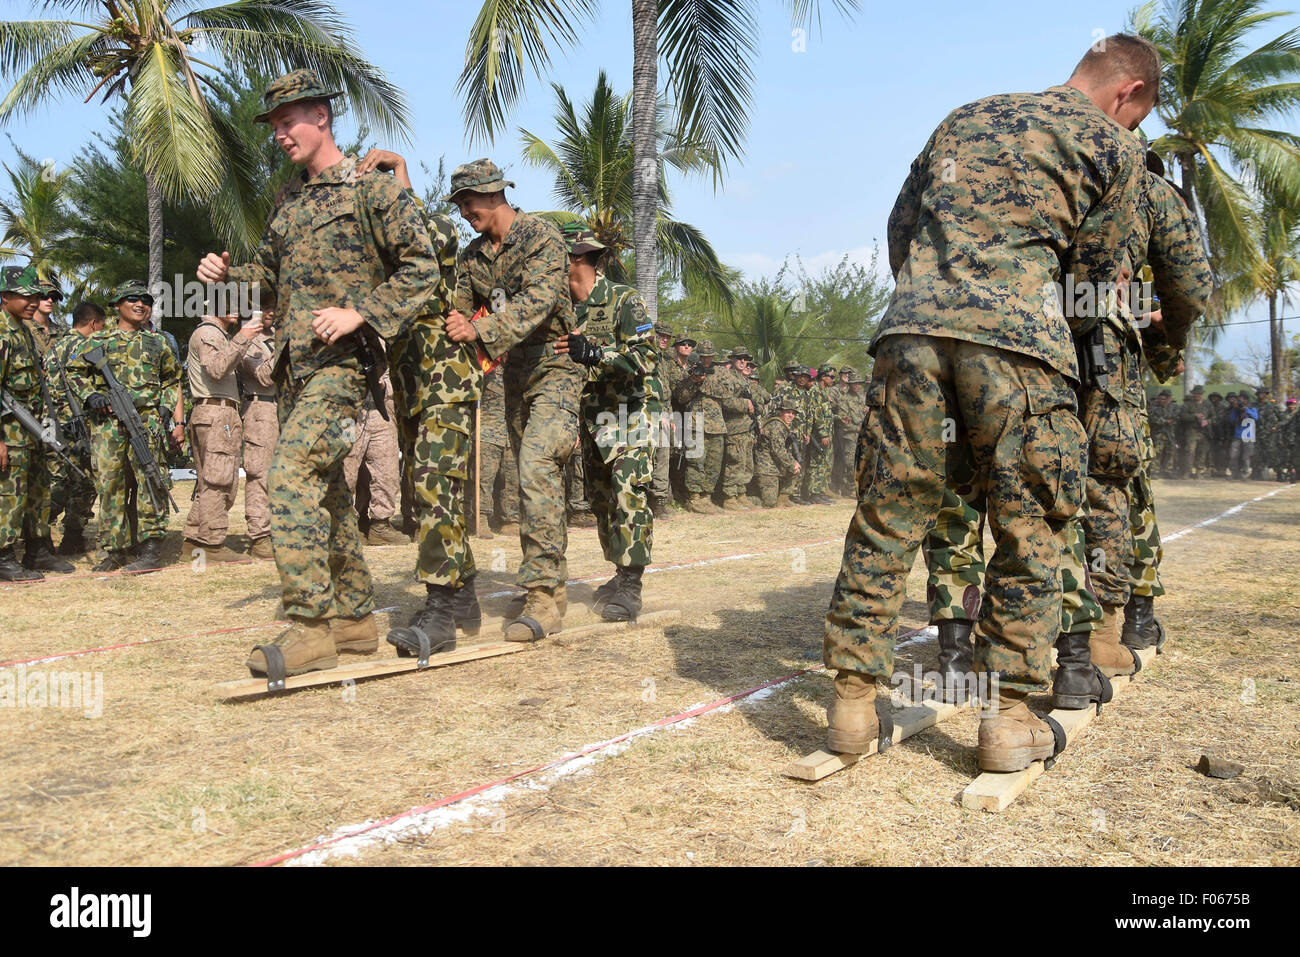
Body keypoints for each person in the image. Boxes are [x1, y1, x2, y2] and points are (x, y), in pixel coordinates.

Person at [821, 35, 1156, 771]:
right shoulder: (1113, 146)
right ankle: (1007, 719)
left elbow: (900, 228)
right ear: (1128, 94)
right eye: (1136, 115)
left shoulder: (965, 116)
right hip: (1021, 346)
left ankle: (850, 700)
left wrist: (935, 295)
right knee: (1028, 524)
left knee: (888, 512)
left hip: (910, 331)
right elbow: (1096, 282)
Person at [197, 70, 441, 676]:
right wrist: (227, 276)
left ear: (321, 117)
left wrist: (362, 312)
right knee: (328, 494)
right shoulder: (288, 202)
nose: (280, 135)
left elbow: (423, 267)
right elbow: (270, 280)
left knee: (290, 474)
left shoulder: (371, 190)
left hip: (345, 368)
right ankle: (355, 622)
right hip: (296, 371)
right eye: (274, 126)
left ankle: (310, 625)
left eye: (288, 122)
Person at [443, 158, 580, 643]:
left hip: (556, 369)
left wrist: (476, 328)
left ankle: (542, 595)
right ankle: (554, 584)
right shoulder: (471, 256)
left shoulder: (542, 237)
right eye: (457, 204)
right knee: (532, 476)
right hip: (512, 375)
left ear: (493, 193)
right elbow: (455, 311)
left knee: (537, 463)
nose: (462, 212)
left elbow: (537, 302)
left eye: (466, 202)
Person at [556, 225, 657, 621]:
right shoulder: (563, 306)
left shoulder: (623, 299)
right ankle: (618, 571)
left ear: (577, 257)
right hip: (592, 416)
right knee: (601, 501)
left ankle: (631, 585)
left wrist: (596, 352)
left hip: (630, 412)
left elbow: (646, 357)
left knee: (626, 490)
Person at [67, 280, 184, 574]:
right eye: (132, 299)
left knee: (151, 480)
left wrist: (165, 408)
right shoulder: (97, 342)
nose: (140, 303)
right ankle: (116, 549)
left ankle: (151, 548)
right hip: (107, 425)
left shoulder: (159, 343)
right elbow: (73, 372)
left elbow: (172, 379)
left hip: (146, 421)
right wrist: (91, 395)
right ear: (117, 305)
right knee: (110, 485)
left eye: (145, 299)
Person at [182, 308, 265, 562]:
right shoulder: (209, 332)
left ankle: (194, 541)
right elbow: (217, 369)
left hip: (215, 411)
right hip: (217, 412)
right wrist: (244, 336)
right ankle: (212, 543)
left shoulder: (216, 333)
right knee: (220, 480)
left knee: (211, 479)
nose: (237, 310)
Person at [1, 265, 63, 580]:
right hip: (9, 430)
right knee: (9, 493)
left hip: (32, 428)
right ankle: (3, 556)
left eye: (36, 297)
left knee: (39, 489)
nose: (33, 302)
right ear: (5, 295)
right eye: (25, 296)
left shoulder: (23, 329)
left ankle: (38, 551)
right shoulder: (1, 332)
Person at [46, 300, 105, 555]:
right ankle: (72, 535)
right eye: (101, 326)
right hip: (79, 425)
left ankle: (38, 532)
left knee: (56, 479)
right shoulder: (87, 346)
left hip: (51, 423)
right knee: (85, 481)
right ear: (93, 323)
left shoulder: (54, 347)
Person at [236, 309, 278, 561]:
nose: (271, 312)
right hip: (259, 408)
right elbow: (264, 375)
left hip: (283, 407)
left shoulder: (277, 338)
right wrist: (286, 346)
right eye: (264, 307)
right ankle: (260, 536)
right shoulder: (247, 342)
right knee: (260, 473)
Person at [673, 344, 726, 514]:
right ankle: (694, 498)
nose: (706, 360)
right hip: (695, 424)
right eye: (702, 356)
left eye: (709, 356)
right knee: (696, 462)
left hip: (716, 424)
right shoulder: (688, 373)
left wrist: (705, 382)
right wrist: (693, 382)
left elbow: (727, 392)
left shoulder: (721, 373)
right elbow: (680, 398)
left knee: (713, 464)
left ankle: (706, 498)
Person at [756, 398, 801, 507]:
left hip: (775, 465)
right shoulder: (776, 425)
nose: (791, 416)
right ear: (781, 412)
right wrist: (792, 464)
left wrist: (794, 463)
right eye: (788, 412)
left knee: (796, 468)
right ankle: (749, 501)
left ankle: (783, 498)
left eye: (793, 413)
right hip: (767, 468)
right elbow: (778, 449)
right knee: (769, 503)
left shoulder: (782, 425)